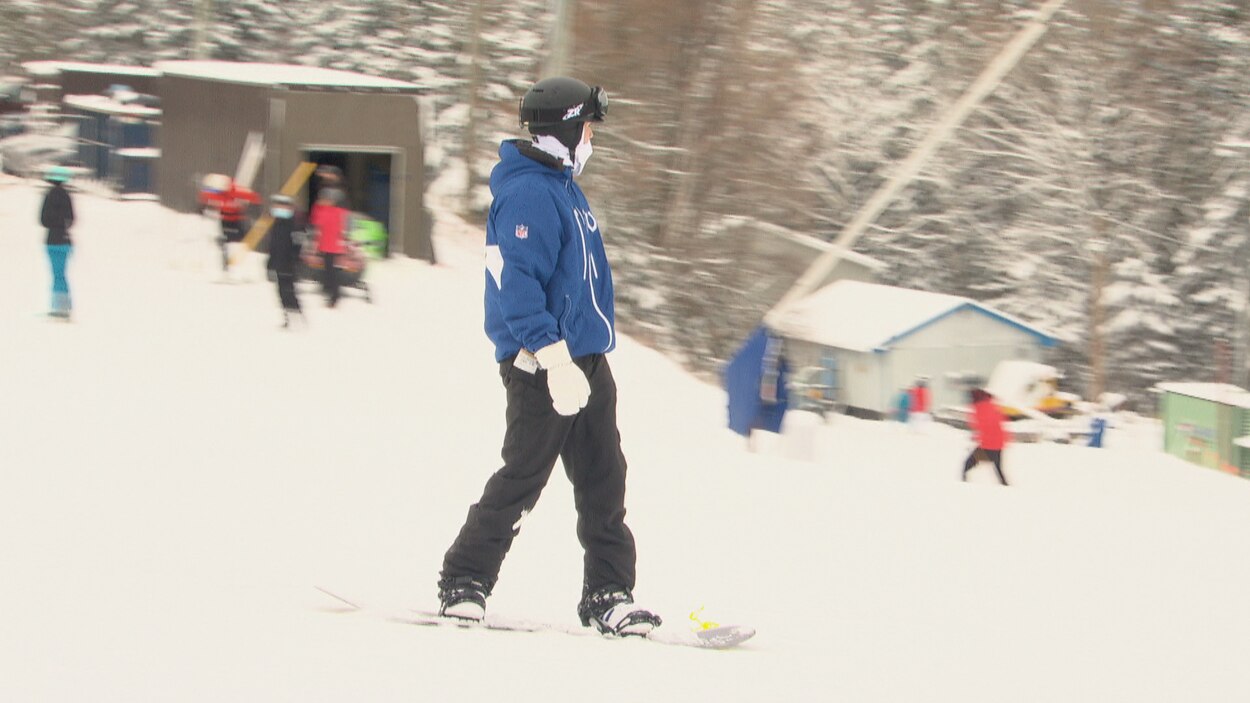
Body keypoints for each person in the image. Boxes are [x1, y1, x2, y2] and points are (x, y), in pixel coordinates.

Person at [437, 76, 661, 638]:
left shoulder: (563, 188)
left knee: (605, 480)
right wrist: (554, 358)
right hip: (542, 364)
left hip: (586, 362)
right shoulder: (530, 194)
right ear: (566, 129)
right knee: (523, 477)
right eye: (588, 129)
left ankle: (608, 593)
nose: (591, 140)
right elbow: (517, 287)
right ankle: (464, 581)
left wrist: (580, 360)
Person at [198, 174, 260, 278]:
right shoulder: (211, 193)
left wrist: (253, 213)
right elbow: (204, 201)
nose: (215, 194)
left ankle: (245, 267)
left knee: (242, 239)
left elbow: (254, 199)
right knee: (224, 242)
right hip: (224, 219)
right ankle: (225, 267)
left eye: (217, 192)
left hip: (238, 219)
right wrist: (203, 210)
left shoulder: (238, 192)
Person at [39, 165, 75, 319]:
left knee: (56, 274)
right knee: (62, 274)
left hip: (52, 240)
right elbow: (72, 219)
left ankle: (58, 307)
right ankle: (65, 305)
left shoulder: (48, 196)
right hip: (65, 240)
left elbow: (42, 220)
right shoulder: (67, 196)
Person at [266, 194, 305, 328]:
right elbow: (273, 246)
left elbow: (298, 246)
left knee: (289, 291)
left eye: (280, 206)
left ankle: (297, 317)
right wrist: (270, 264)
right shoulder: (277, 223)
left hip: (289, 264)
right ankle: (288, 317)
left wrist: (294, 261)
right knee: (281, 292)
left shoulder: (295, 224)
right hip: (279, 263)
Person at [308, 188, 348, 307]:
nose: (322, 201)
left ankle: (334, 295)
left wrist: (318, 207)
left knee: (331, 272)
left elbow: (316, 221)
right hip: (329, 246)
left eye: (325, 199)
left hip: (331, 247)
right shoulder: (337, 212)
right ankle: (330, 292)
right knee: (330, 271)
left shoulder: (331, 212)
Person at [962, 388, 1010, 485]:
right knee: (998, 467)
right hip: (999, 443)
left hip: (987, 444)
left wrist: (977, 437)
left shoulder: (978, 409)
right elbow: (1002, 419)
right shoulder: (993, 406)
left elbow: (978, 426)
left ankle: (963, 485)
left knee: (966, 465)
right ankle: (1005, 485)